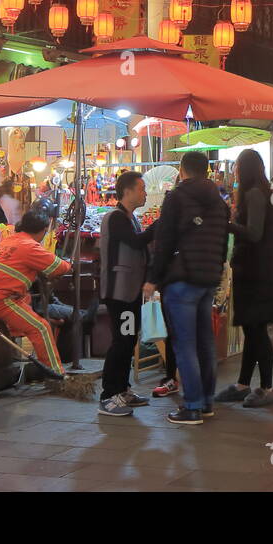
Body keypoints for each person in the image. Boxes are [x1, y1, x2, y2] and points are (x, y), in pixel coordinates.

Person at [147, 151, 229, 425]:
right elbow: (220, 242)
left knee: (185, 344)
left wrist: (154, 277)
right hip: (208, 279)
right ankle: (206, 402)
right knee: (205, 342)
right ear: (206, 171)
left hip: (182, 280)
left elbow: (165, 240)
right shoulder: (219, 201)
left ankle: (191, 406)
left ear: (182, 171)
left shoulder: (177, 197)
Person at [214, 149, 273, 409]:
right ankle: (242, 384)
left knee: (257, 330)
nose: (235, 171)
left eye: (238, 166)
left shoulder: (255, 194)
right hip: (256, 270)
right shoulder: (258, 192)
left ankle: (267, 387)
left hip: (259, 272)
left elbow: (254, 233)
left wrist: (225, 223)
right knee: (251, 327)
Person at [0, 209, 71, 377]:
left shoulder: (9, 240)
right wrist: (70, 263)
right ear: (43, 230)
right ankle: (57, 376)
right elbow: (60, 268)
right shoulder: (30, 246)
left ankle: (16, 357)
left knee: (27, 299)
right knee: (41, 327)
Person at [97, 170, 155, 417]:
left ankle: (123, 389)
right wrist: (161, 224)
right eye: (142, 189)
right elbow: (136, 242)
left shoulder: (131, 217)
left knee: (129, 340)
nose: (145, 193)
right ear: (128, 191)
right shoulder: (116, 217)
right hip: (119, 292)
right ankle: (108, 396)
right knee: (121, 342)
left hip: (129, 292)